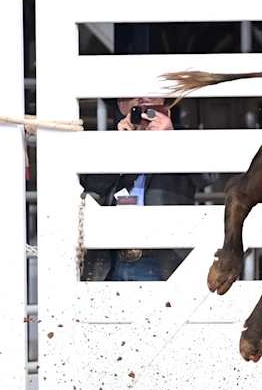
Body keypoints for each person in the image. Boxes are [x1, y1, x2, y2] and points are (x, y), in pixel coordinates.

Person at [80, 97, 214, 281]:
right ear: (121, 105)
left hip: (163, 254)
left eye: (149, 97)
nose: (142, 100)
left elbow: (208, 177)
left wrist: (171, 139)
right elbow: (93, 187)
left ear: (165, 103)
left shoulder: (182, 135)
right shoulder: (111, 138)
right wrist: (118, 147)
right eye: (132, 96)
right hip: (111, 255)